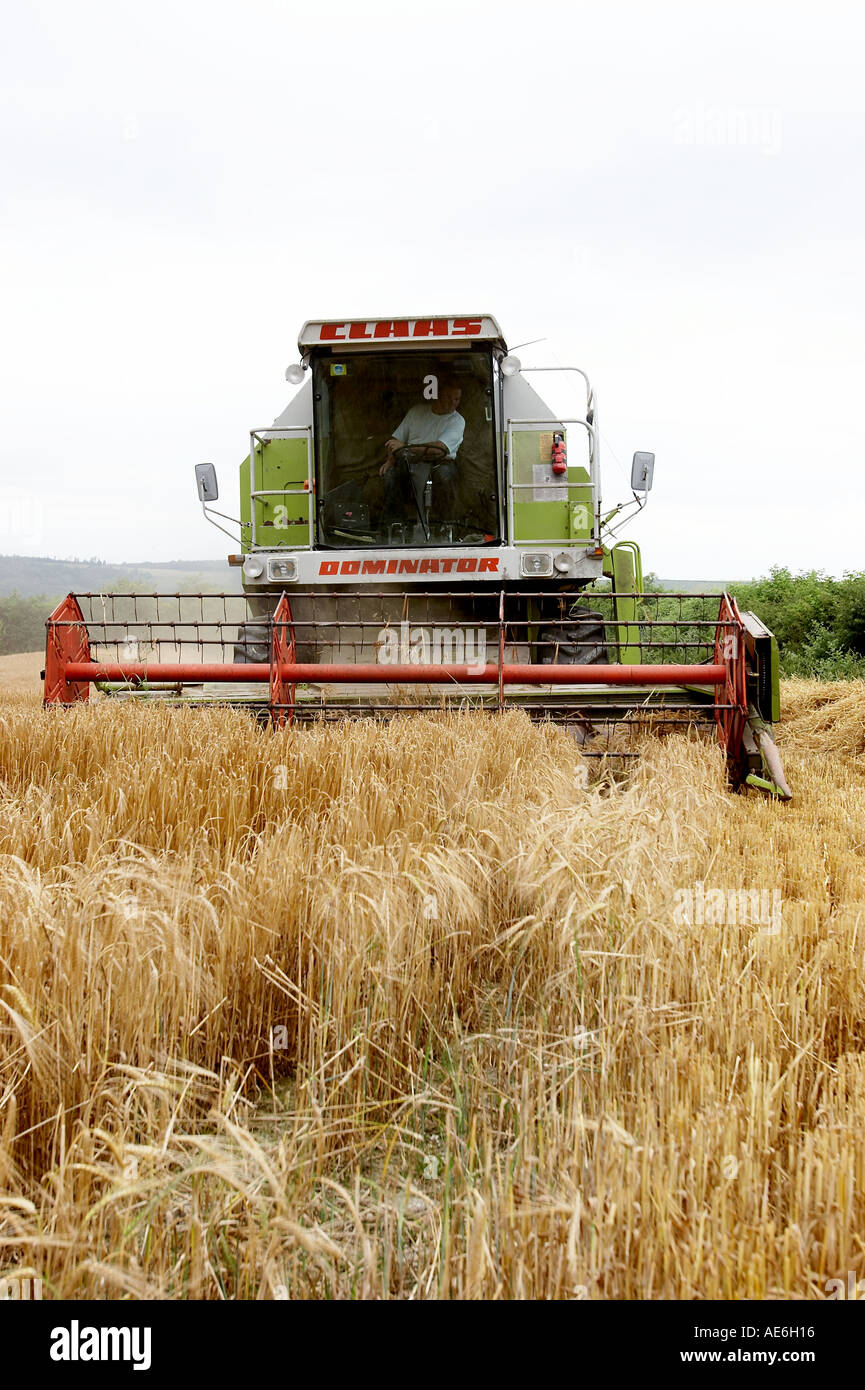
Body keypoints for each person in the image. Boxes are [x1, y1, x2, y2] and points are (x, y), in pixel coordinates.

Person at [379, 374, 465, 518]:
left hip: (441, 464)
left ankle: (447, 525)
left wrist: (405, 447)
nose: (452, 403)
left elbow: (440, 449)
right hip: (410, 463)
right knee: (390, 477)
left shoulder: (457, 421)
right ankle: (396, 525)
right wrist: (390, 461)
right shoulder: (417, 411)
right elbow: (395, 440)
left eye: (456, 399)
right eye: (448, 397)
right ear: (437, 395)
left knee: (445, 476)